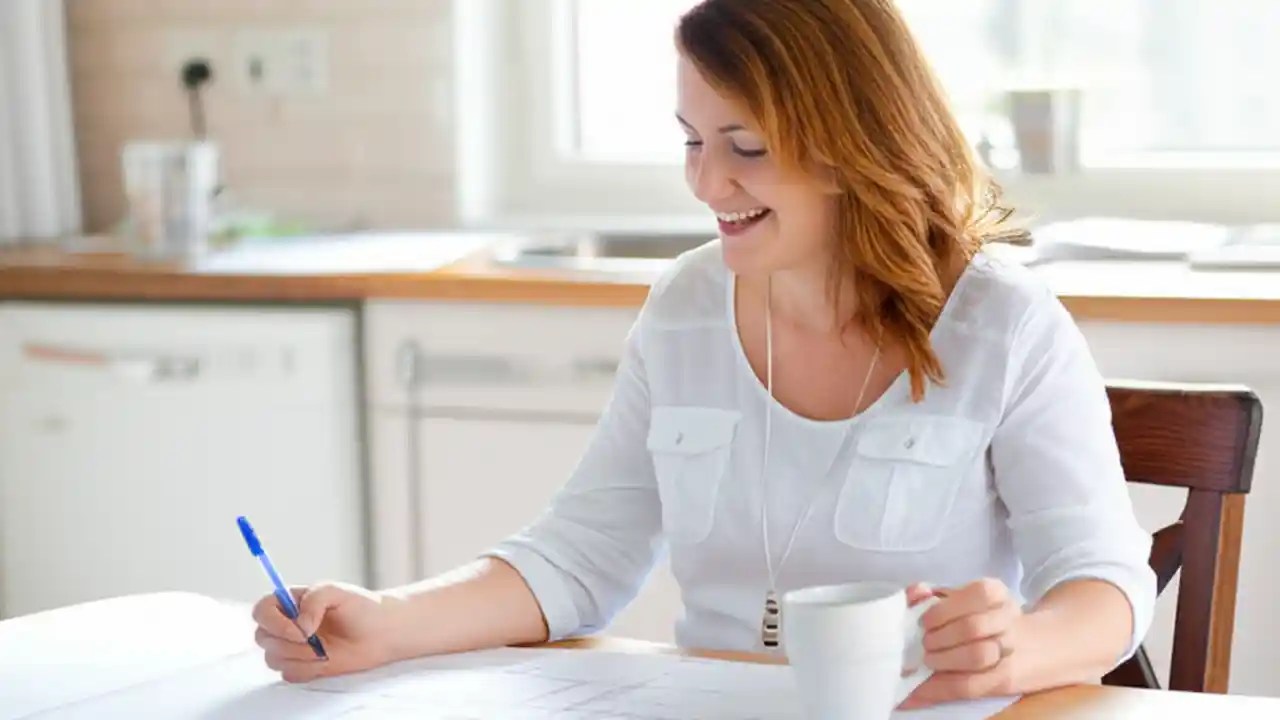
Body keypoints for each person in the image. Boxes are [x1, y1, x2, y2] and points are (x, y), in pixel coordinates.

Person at [252, 0, 1155, 708]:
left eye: (746, 147)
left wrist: (1016, 648)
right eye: (691, 140)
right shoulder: (685, 306)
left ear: (855, 144)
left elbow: (1106, 585)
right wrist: (390, 622)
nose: (705, 182)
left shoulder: (1003, 325)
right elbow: (580, 554)